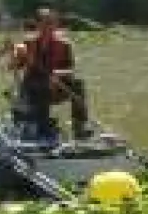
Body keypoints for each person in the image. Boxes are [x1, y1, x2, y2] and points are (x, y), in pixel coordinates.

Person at [17, 7, 93, 143]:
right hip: (33, 89)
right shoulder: (27, 44)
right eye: (45, 23)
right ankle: (43, 128)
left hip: (57, 87)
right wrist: (16, 54)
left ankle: (79, 126)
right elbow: (13, 66)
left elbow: (71, 69)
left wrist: (57, 74)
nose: (48, 27)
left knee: (78, 84)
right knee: (40, 86)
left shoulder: (65, 45)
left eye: (51, 23)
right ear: (38, 25)